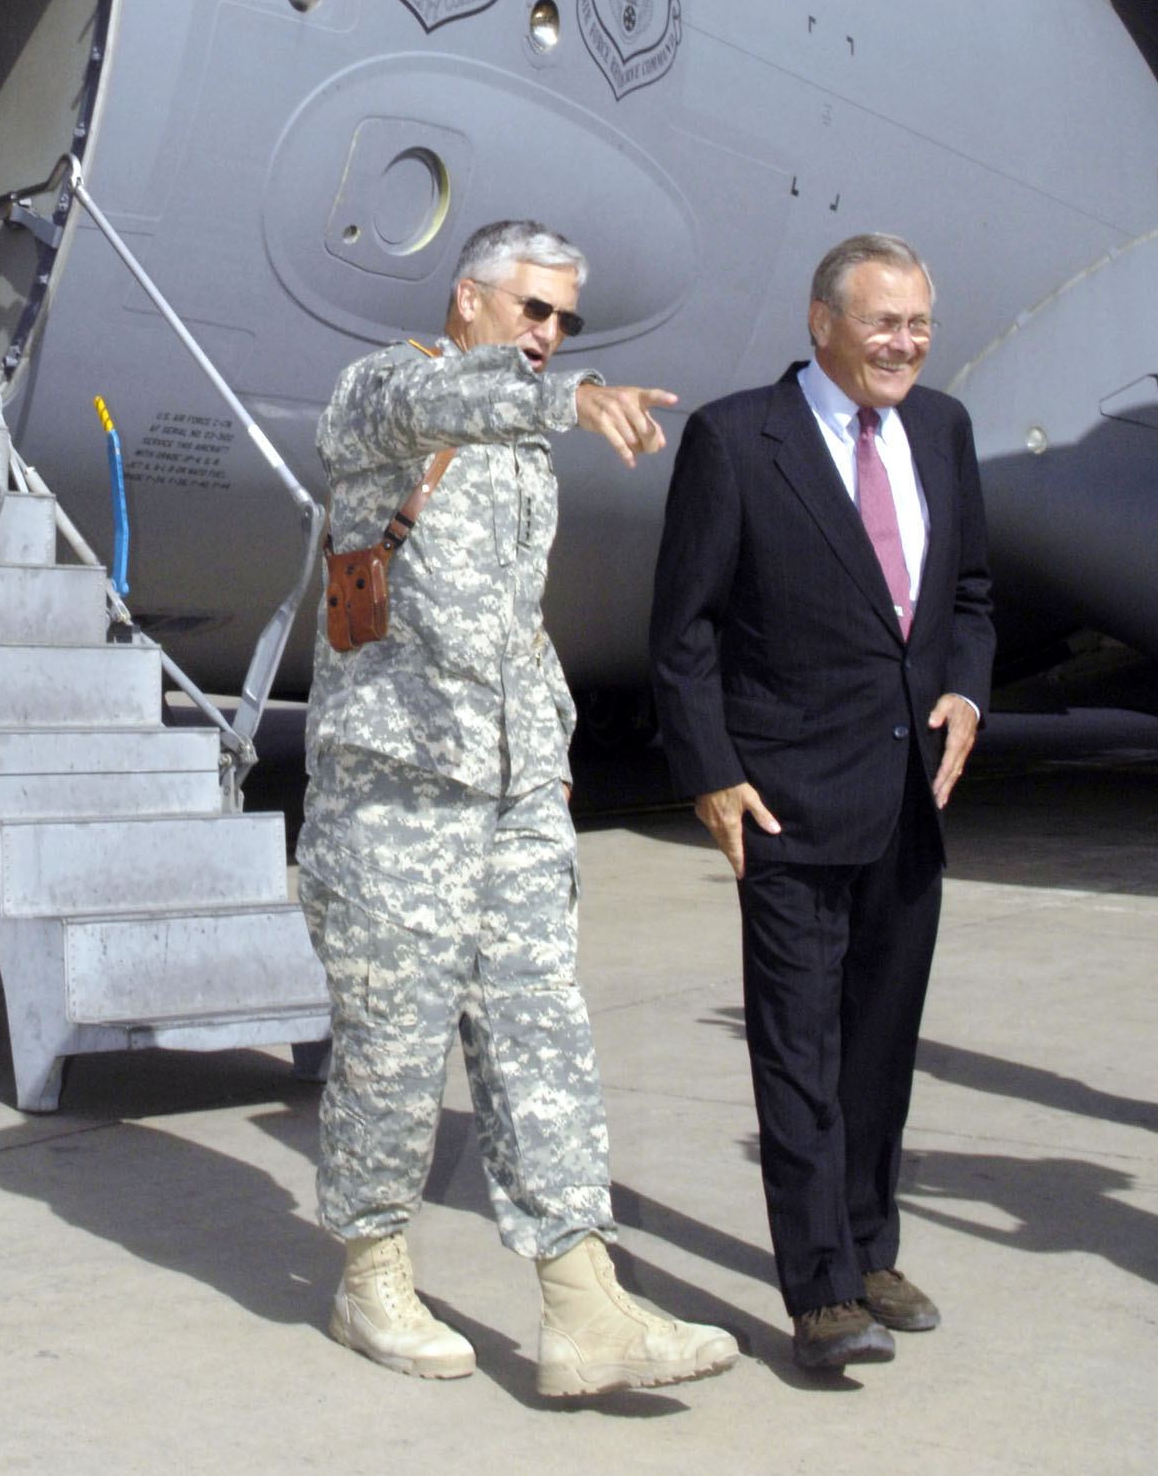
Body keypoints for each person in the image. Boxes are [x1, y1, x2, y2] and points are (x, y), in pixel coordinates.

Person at [301, 217, 740, 1399]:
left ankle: (580, 1300)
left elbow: (510, 621)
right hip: (394, 792)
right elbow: (418, 404)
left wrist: (545, 751)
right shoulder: (382, 401)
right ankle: (370, 1272)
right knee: (393, 1046)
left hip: (508, 790)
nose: (548, 335)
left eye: (564, 322)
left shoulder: (518, 456)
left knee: (541, 1033)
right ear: (468, 302)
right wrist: (571, 393)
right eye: (533, 311)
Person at [647, 232, 995, 1373]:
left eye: (918, 324)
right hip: (783, 800)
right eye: (883, 322)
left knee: (880, 1048)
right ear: (820, 323)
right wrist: (709, 772)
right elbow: (684, 630)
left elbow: (972, 599)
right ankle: (819, 1289)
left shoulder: (939, 431)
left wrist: (964, 695)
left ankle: (867, 1245)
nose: (905, 344)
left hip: (908, 797)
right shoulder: (736, 440)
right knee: (796, 1050)